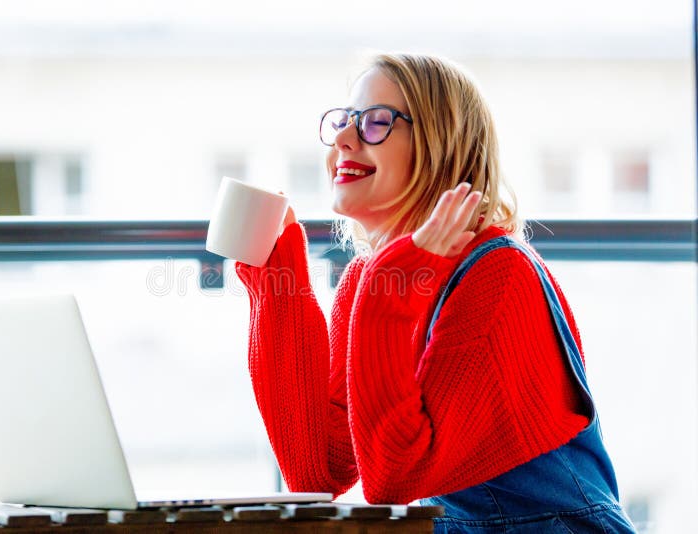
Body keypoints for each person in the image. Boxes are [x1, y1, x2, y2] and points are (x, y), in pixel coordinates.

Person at [234, 53, 635, 532]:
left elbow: (395, 478)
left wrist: (391, 289)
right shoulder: (369, 279)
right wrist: (274, 290)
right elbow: (315, 470)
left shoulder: (500, 276)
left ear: (441, 147)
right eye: (343, 121)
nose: (343, 139)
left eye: (375, 123)